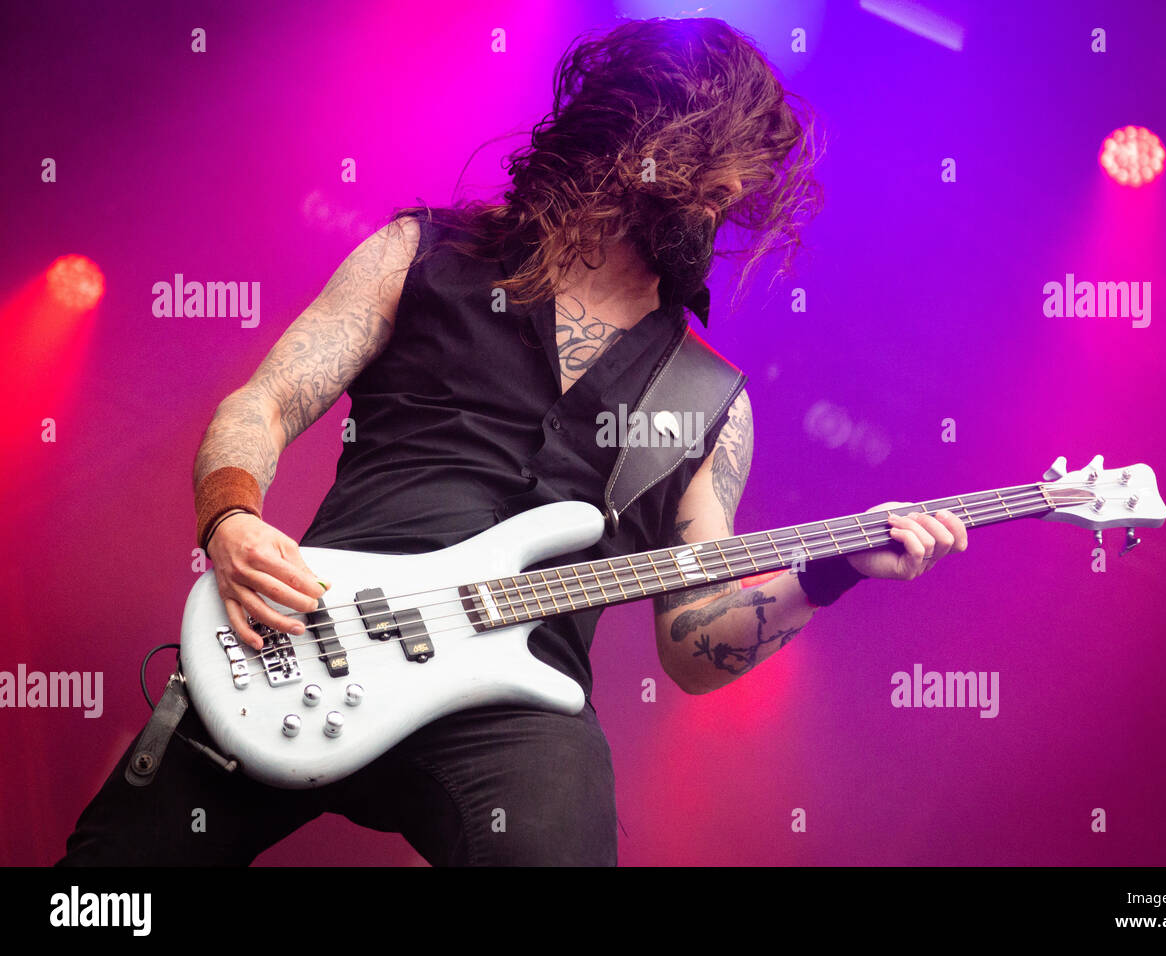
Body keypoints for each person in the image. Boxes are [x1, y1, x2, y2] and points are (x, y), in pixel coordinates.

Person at [57, 16, 967, 867]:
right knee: (102, 890)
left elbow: (694, 643)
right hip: (304, 628)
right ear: (641, 140)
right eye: (717, 173)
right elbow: (262, 404)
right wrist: (230, 521)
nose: (730, 204)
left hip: (514, 706)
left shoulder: (707, 396)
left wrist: (831, 570)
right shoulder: (421, 253)